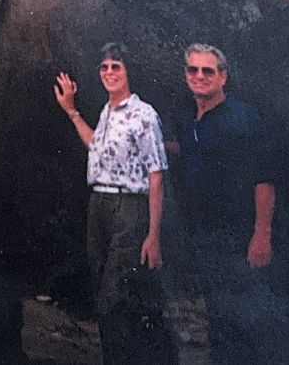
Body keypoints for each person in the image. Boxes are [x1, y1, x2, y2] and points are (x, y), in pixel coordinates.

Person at [55, 43, 175, 365]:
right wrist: (71, 110)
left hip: (129, 210)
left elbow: (156, 176)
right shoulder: (106, 112)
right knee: (103, 295)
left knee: (115, 298)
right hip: (99, 206)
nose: (109, 73)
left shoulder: (143, 115)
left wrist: (153, 235)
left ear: (128, 71)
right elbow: (96, 145)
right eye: (104, 67)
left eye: (116, 67)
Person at [173, 43, 277, 365]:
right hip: (205, 237)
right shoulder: (189, 120)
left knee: (249, 326)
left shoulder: (243, 118)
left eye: (208, 71)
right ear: (186, 75)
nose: (200, 76)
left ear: (223, 77)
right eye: (193, 70)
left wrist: (261, 234)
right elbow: (188, 152)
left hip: (239, 238)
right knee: (218, 321)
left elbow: (264, 178)